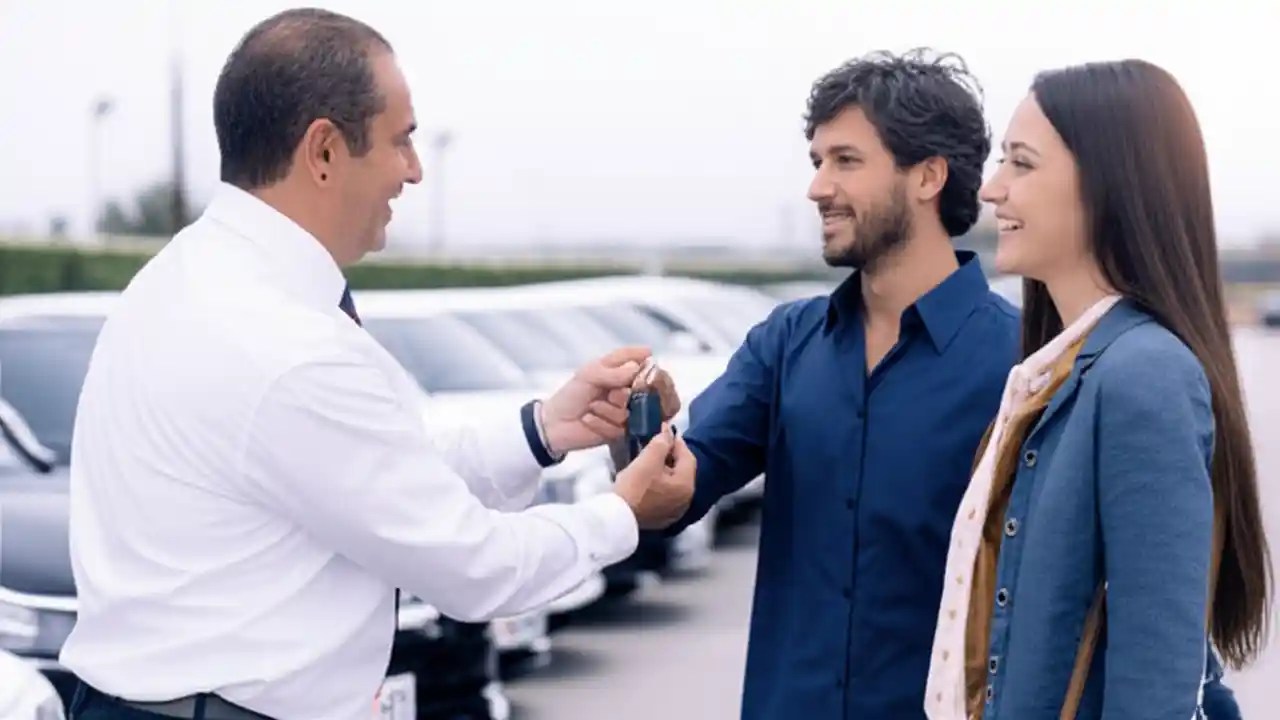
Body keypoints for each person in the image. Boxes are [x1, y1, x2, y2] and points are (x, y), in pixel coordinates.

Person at [59, 9, 694, 720]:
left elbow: (380, 475)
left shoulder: (186, 279)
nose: (415, 172)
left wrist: (543, 430)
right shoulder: (284, 345)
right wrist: (623, 514)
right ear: (325, 151)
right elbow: (473, 567)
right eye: (402, 142)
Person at [654, 49, 1021, 718]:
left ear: (928, 176)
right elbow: (676, 490)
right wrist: (637, 434)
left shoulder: (1020, 366)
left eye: (846, 161)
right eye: (818, 162)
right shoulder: (786, 344)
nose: (819, 188)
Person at [924, 60, 1271, 719]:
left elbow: (1156, 687)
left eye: (1021, 164)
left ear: (1112, 183)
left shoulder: (1143, 375)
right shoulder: (1056, 372)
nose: (993, 190)